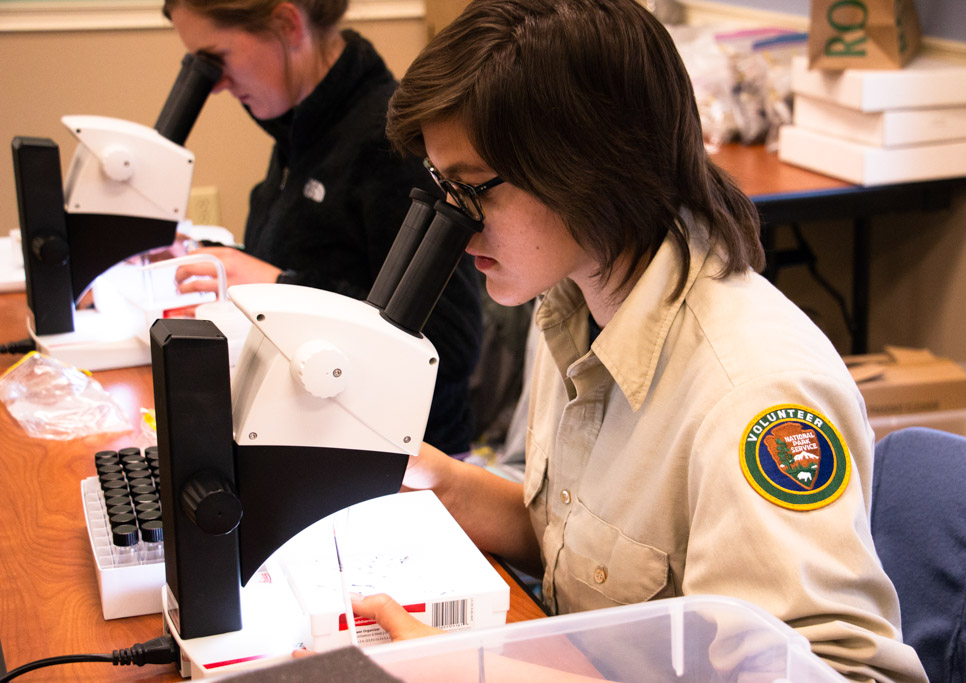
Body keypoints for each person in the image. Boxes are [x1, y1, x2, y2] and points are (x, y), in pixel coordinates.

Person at [340, 1, 929, 681]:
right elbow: (594, 550)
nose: (459, 229)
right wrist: (446, 486)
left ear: (588, 167)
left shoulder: (752, 397)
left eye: (474, 191)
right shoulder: (575, 302)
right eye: (443, 188)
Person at [163, 0, 482, 455]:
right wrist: (220, 258)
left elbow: (451, 343)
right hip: (314, 431)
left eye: (217, 59)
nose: (215, 86)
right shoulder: (302, 127)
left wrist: (277, 285)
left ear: (287, 23)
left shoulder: (387, 141)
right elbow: (315, 261)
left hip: (404, 460)